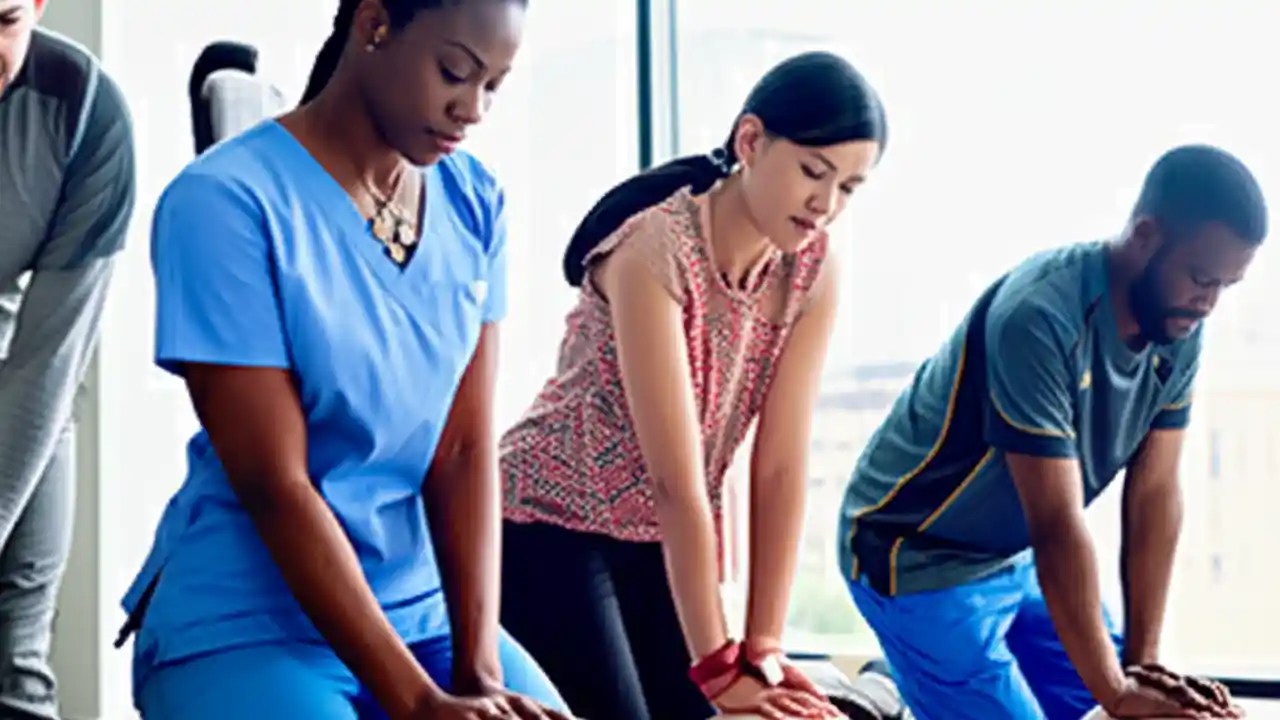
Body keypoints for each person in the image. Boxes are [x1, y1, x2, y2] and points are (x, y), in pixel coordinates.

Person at [116, 1, 570, 718]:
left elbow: (462, 448)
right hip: (247, 623)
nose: (473, 108)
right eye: (454, 71)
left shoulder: (475, 200)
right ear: (375, 23)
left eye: (493, 85)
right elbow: (275, 482)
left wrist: (478, 669)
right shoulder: (223, 203)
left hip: (421, 615)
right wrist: (416, 702)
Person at [498, 51, 887, 720]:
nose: (825, 205)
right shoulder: (654, 248)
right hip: (543, 521)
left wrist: (760, 648)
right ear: (751, 142)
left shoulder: (812, 268)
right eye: (813, 172)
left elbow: (781, 466)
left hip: (649, 535)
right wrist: (716, 668)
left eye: (849, 187)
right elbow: (675, 482)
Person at [836, 144, 1266, 720]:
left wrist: (1142, 670)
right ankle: (890, 690)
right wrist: (1118, 695)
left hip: (1011, 556)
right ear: (1145, 235)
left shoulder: (1178, 321)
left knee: (1110, 694)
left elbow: (1155, 493)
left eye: (1224, 286)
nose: (1208, 302)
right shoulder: (1039, 316)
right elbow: (1056, 523)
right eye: (1200, 277)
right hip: (914, 553)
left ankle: (901, 680)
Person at [0, 1, 135, 717]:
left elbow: (48, 360)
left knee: (15, 670)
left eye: (3, 20)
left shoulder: (86, 113)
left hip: (18, 376)